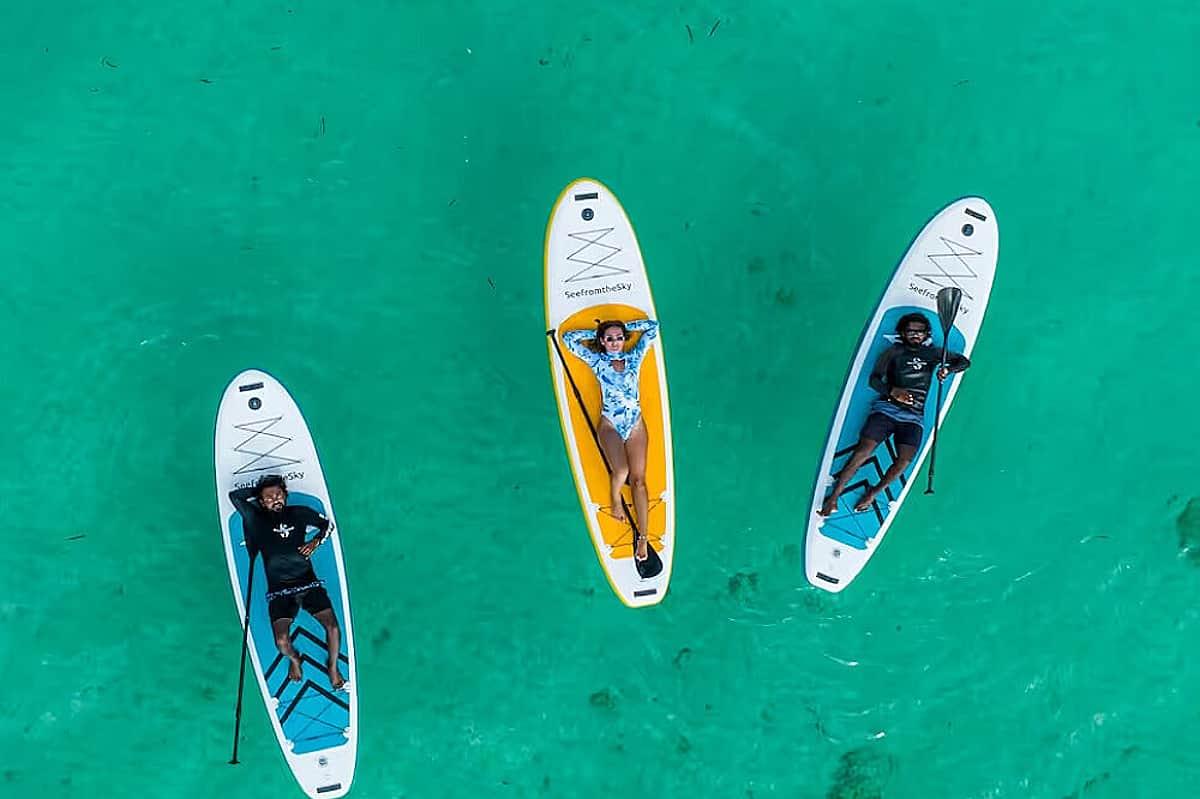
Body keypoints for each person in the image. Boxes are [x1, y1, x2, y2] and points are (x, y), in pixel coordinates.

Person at [820, 312, 970, 516]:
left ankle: (873, 493)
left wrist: (947, 369)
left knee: (904, 461)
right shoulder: (893, 352)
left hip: (913, 418)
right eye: (910, 331)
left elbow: (963, 362)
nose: (915, 335)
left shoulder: (934, 353)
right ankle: (834, 496)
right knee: (863, 451)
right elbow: (873, 381)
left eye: (920, 332)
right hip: (887, 410)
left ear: (926, 334)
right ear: (902, 333)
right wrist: (893, 392)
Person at [230, 474, 345, 689]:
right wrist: (257, 494)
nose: (275, 498)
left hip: (307, 583)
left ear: (286, 495)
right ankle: (295, 659)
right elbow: (235, 497)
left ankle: (332, 665)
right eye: (269, 497)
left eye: (279, 494)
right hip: (279, 591)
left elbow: (327, 525)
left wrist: (315, 541)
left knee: (333, 628)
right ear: (261, 502)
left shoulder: (299, 513)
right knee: (282, 642)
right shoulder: (256, 518)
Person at [562, 317, 660, 562]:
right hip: (610, 425)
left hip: (635, 425)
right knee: (622, 470)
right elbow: (568, 339)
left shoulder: (635, 357)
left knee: (639, 482)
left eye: (619, 337)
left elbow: (653, 327)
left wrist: (627, 329)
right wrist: (596, 331)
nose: (615, 342)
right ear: (602, 342)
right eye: (609, 338)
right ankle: (616, 499)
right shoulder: (597, 361)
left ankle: (644, 538)